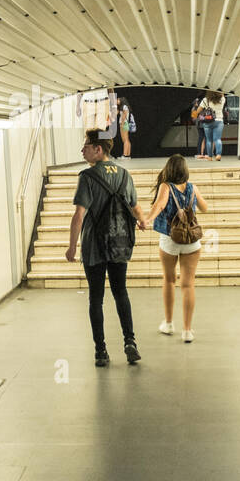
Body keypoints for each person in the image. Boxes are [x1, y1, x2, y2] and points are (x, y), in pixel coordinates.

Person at [66, 131, 149, 366]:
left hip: (94, 245)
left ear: (98, 149)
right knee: (120, 292)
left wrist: (72, 246)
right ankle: (130, 341)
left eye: (86, 146)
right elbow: (135, 206)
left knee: (96, 298)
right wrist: (142, 221)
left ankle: (101, 351)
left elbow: (79, 215)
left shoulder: (87, 177)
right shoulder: (124, 174)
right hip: (119, 243)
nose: (83, 151)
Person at [142, 154, 209, 342]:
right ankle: (187, 330)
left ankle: (169, 324)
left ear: (169, 169)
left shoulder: (166, 186)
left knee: (169, 280)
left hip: (170, 240)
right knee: (188, 284)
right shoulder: (192, 188)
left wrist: (147, 219)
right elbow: (205, 208)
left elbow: (159, 204)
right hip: (191, 242)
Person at [198, 90, 227, 160]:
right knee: (217, 139)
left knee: (209, 140)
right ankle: (218, 155)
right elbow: (222, 93)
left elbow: (198, 111)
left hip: (208, 121)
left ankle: (210, 156)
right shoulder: (222, 99)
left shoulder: (205, 100)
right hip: (219, 121)